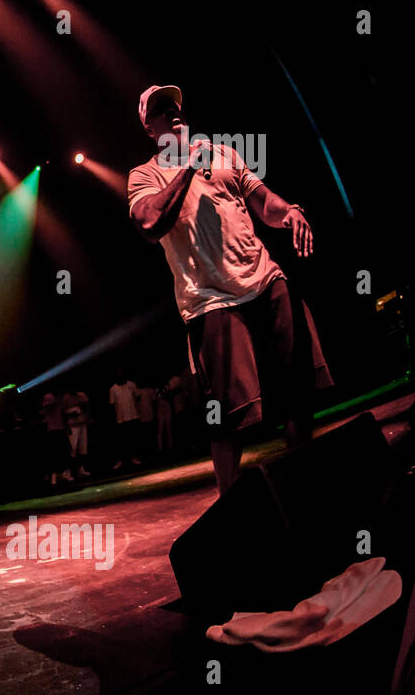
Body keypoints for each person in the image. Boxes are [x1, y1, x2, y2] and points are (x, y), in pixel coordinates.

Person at [127, 85, 331, 493]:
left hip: (264, 277)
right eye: (163, 110)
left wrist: (288, 211)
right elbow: (150, 224)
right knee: (229, 417)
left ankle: (303, 482)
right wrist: (185, 167)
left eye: (177, 106)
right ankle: (230, 503)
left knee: (296, 392)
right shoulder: (145, 174)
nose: (175, 113)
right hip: (212, 300)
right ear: (150, 128)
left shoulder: (224, 153)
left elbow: (263, 202)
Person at [107, 369, 142, 470]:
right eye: (118, 375)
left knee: (134, 439)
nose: (120, 376)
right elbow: (112, 404)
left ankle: (135, 458)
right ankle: (122, 460)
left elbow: (138, 396)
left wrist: (133, 406)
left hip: (133, 416)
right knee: (122, 441)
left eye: (122, 374)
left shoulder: (131, 385)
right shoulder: (113, 389)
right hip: (120, 419)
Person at [60, 387, 91, 477]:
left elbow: (87, 407)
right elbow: (62, 413)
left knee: (83, 449)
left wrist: (87, 418)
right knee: (73, 449)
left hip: (82, 424)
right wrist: (67, 425)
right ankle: (69, 471)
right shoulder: (66, 397)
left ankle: (81, 469)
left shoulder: (81, 395)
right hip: (72, 426)